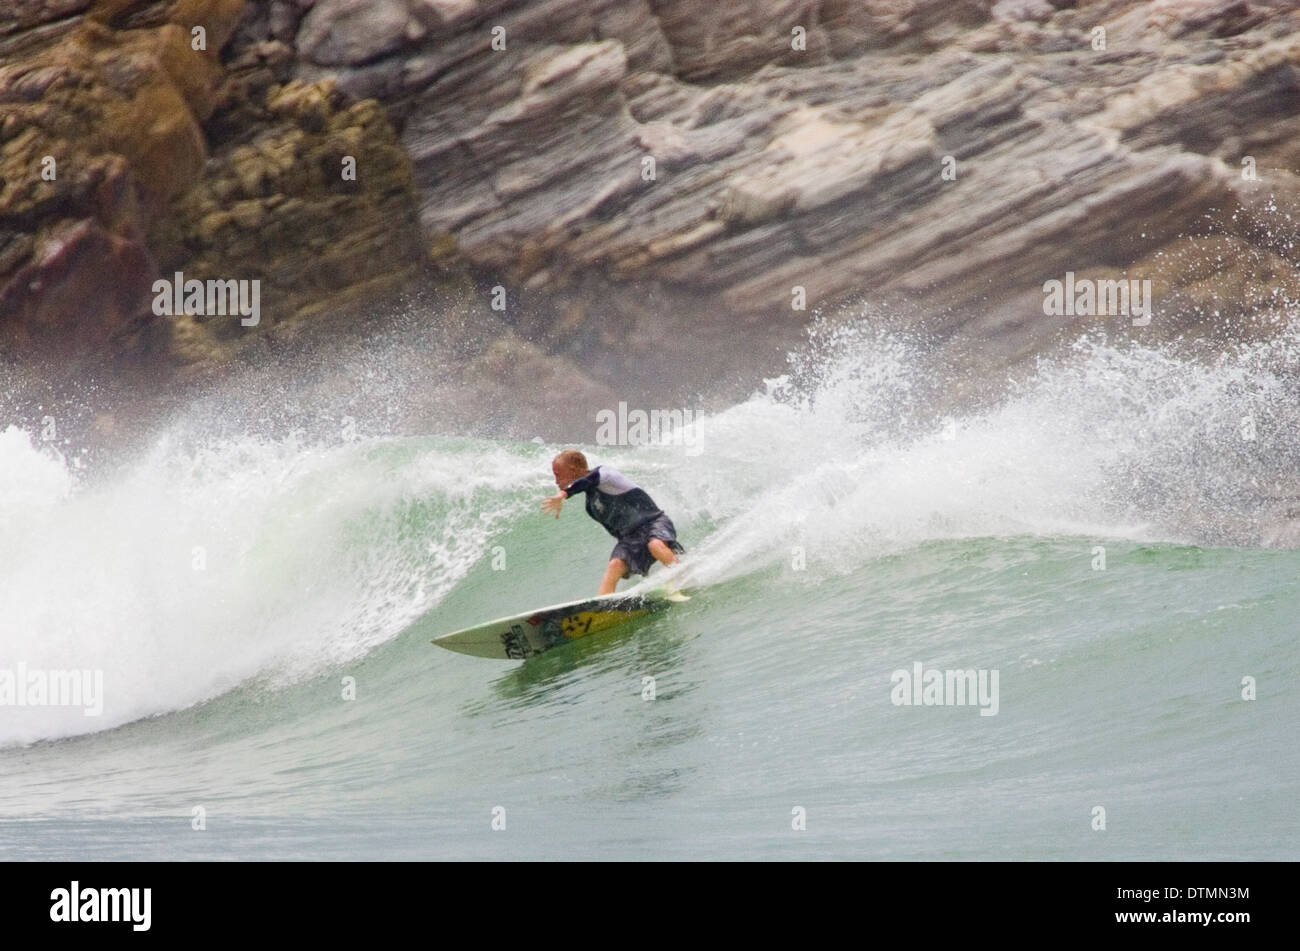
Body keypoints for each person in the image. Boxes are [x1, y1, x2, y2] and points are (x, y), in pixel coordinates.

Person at [542, 449, 684, 594]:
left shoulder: (606, 475)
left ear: (572, 470)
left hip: (654, 523)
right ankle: (600, 607)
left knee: (655, 545)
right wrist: (628, 554)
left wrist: (564, 494)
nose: (556, 481)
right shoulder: (591, 505)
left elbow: (588, 480)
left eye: (558, 474)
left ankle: (681, 580)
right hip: (631, 538)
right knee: (614, 566)